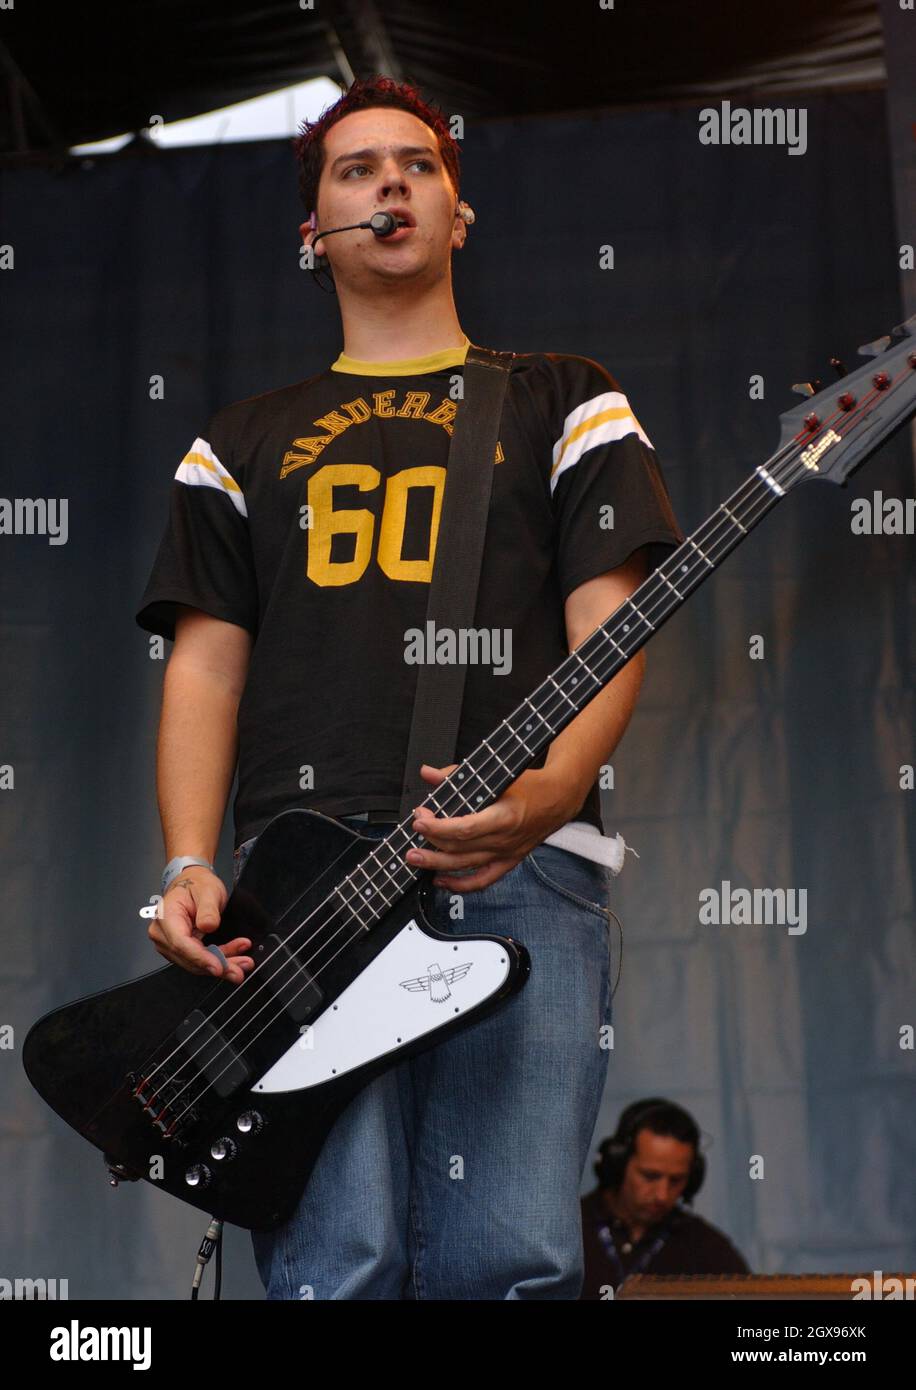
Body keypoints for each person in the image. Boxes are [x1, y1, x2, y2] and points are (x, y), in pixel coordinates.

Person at [136, 75, 684, 1299]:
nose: (391, 181)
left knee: (509, 1257)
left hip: (520, 862)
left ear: (459, 212)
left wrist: (546, 797)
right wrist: (186, 861)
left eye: (419, 164)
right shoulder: (239, 439)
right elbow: (206, 661)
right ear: (311, 229)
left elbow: (617, 625)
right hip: (300, 880)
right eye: (355, 167)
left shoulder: (562, 395)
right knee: (337, 1256)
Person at [581, 1098, 750, 1297]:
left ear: (693, 1179)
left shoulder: (708, 1248)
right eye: (650, 1176)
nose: (662, 1195)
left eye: (676, 1180)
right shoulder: (565, 1232)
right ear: (617, 1165)